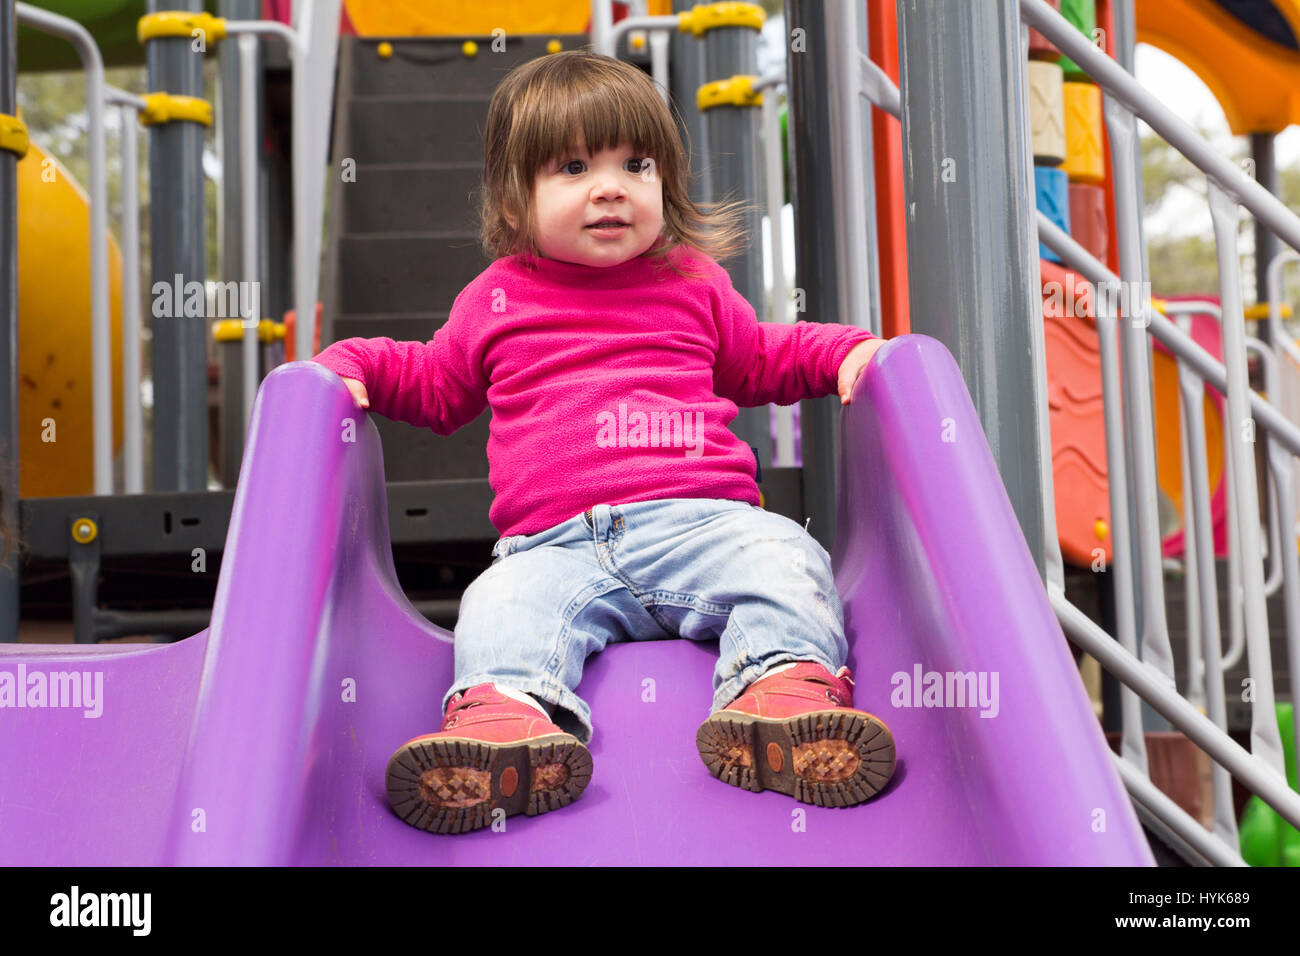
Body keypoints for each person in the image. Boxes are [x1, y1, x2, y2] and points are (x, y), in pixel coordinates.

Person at [311, 50, 895, 835]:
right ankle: (509, 723)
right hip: (553, 548)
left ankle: (779, 696)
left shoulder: (692, 282)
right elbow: (438, 386)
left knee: (786, 559)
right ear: (515, 200)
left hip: (704, 524)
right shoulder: (496, 298)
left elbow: (760, 358)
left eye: (636, 163)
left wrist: (844, 352)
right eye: (575, 167)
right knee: (497, 604)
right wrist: (355, 367)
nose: (611, 186)